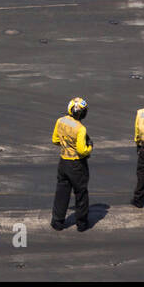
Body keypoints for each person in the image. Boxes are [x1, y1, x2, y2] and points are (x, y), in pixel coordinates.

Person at [52, 96, 93, 231]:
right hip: (77, 165)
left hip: (63, 162)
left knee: (62, 192)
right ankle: (81, 224)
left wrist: (66, 146)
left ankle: (57, 222)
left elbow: (55, 140)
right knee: (81, 193)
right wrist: (90, 148)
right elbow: (82, 150)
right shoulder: (81, 129)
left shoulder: (60, 121)